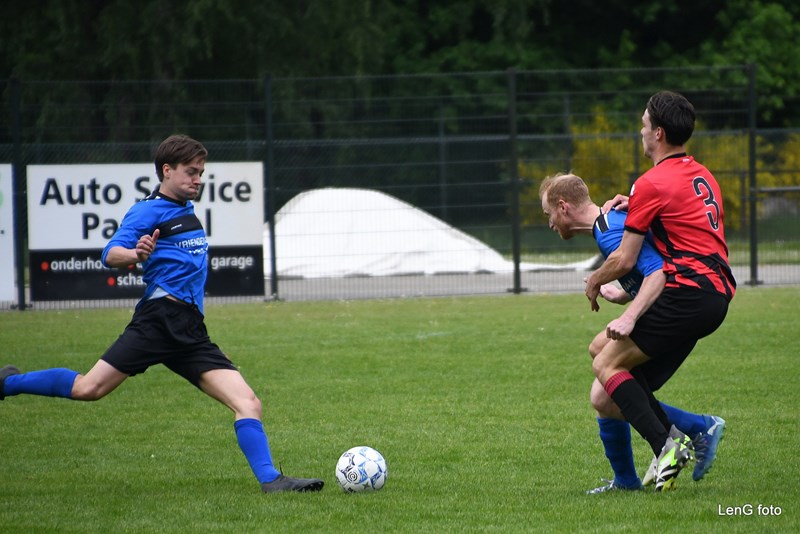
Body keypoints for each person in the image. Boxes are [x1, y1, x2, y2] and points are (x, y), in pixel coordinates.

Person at [0, 134, 324, 494]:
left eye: (200, 172)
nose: (197, 179)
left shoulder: (185, 210)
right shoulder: (146, 211)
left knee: (248, 402)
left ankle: (271, 481)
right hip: (156, 323)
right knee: (88, 388)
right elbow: (110, 253)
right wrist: (136, 255)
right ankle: (7, 383)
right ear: (166, 171)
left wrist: (202, 337)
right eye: (190, 172)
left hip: (190, 332)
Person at [584, 91, 736, 491]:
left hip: (685, 293)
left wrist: (595, 279)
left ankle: (667, 446)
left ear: (659, 134)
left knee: (607, 368)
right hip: (713, 295)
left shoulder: (652, 182)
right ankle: (696, 432)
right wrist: (631, 199)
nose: (640, 130)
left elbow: (626, 258)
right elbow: (678, 225)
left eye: (644, 124)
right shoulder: (702, 174)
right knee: (609, 371)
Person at [539, 173, 726, 494]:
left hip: (677, 307)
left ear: (563, 206)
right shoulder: (616, 217)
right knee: (602, 393)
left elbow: (657, 272)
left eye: (548, 215)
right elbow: (654, 258)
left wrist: (627, 313)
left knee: (605, 366)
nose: (550, 224)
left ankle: (678, 439)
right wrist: (624, 293)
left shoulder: (608, 229)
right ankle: (629, 479)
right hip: (686, 303)